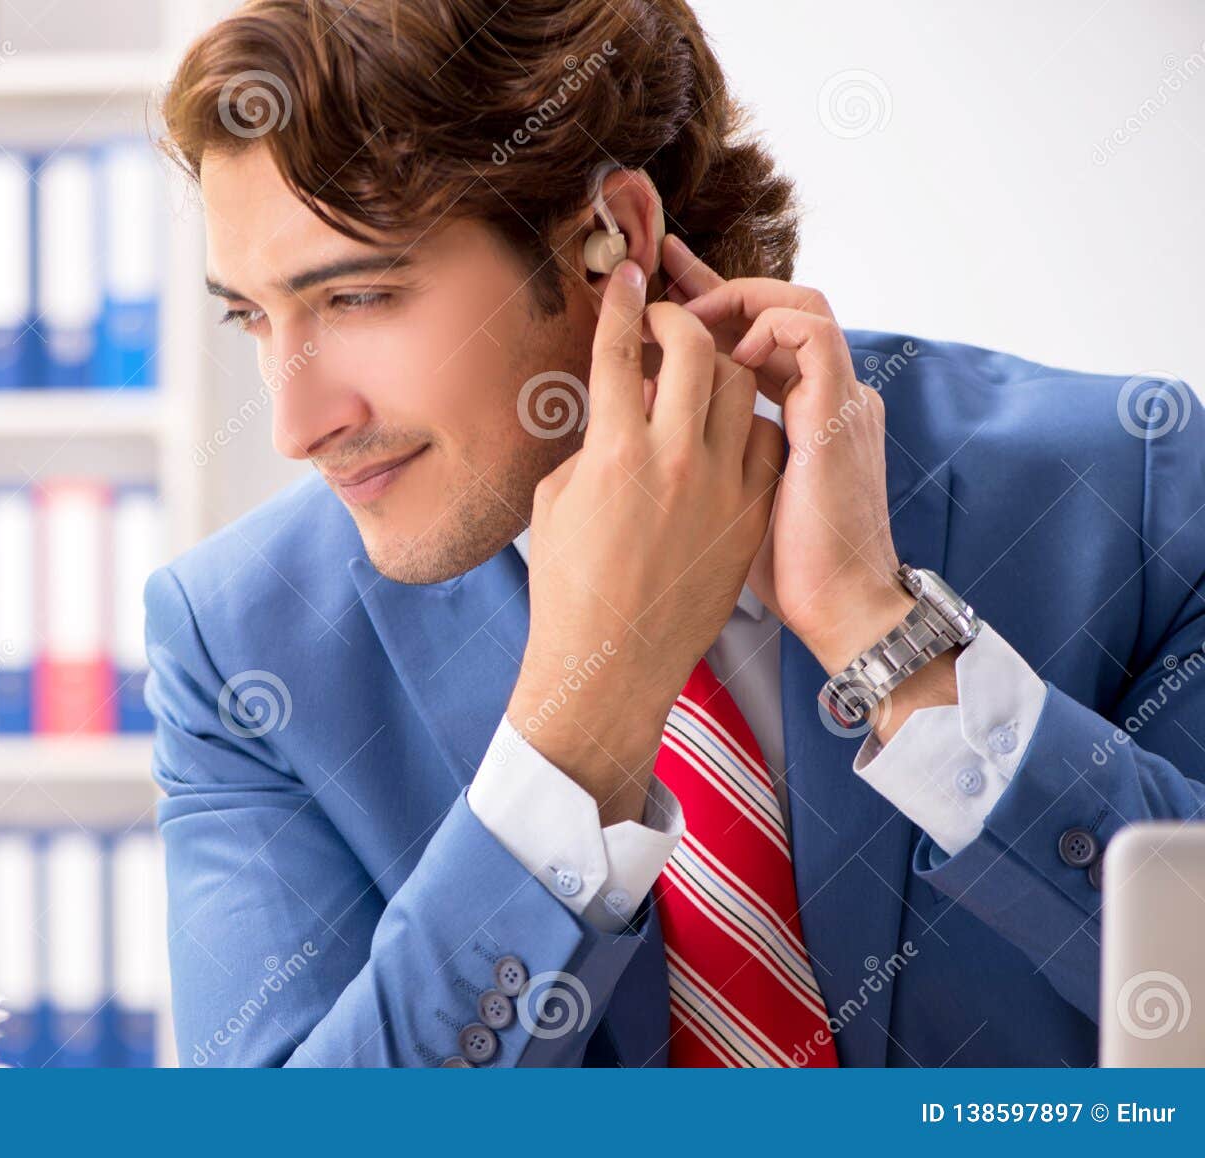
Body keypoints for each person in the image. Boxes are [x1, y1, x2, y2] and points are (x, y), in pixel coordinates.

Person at [142, 0, 1205, 1067]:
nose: (294, 424)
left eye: (360, 296)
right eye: (251, 317)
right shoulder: (241, 647)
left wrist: (883, 637)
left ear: (611, 240)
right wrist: (580, 720)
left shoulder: (1132, 487)